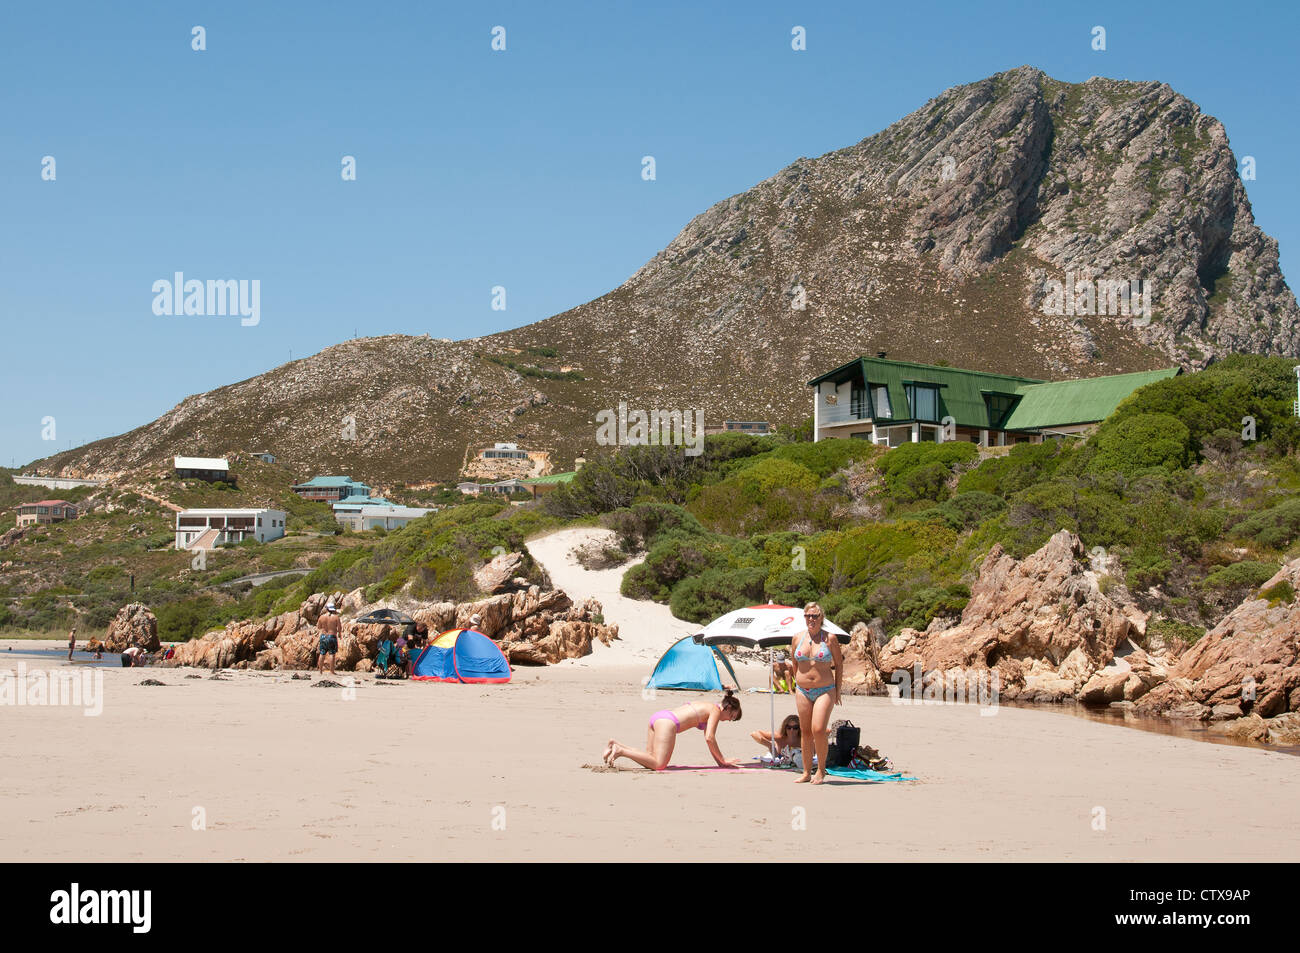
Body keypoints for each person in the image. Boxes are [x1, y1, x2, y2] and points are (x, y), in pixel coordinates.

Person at [604, 690, 742, 771]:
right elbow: (710, 738)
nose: (729, 720)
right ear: (728, 708)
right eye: (731, 716)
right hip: (668, 723)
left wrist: (721, 764)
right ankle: (621, 752)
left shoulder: (707, 705)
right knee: (659, 765)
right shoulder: (715, 710)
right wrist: (723, 759)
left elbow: (709, 741)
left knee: (649, 758)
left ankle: (616, 745)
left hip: (659, 717)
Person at [791, 602, 842, 785]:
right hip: (802, 690)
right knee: (805, 731)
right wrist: (794, 683)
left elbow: (839, 664)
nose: (811, 619)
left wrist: (837, 689)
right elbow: (794, 663)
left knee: (818, 729)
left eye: (814, 616)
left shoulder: (830, 639)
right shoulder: (797, 638)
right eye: (808, 616)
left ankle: (821, 770)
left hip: (825, 689)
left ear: (821, 618)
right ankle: (806, 772)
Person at [317, 601, 343, 675]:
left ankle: (320, 671)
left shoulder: (321, 617)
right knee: (332, 654)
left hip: (323, 636)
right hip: (332, 636)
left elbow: (319, 627)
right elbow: (339, 627)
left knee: (322, 653)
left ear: (326, 609)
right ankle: (332, 671)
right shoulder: (336, 617)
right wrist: (340, 634)